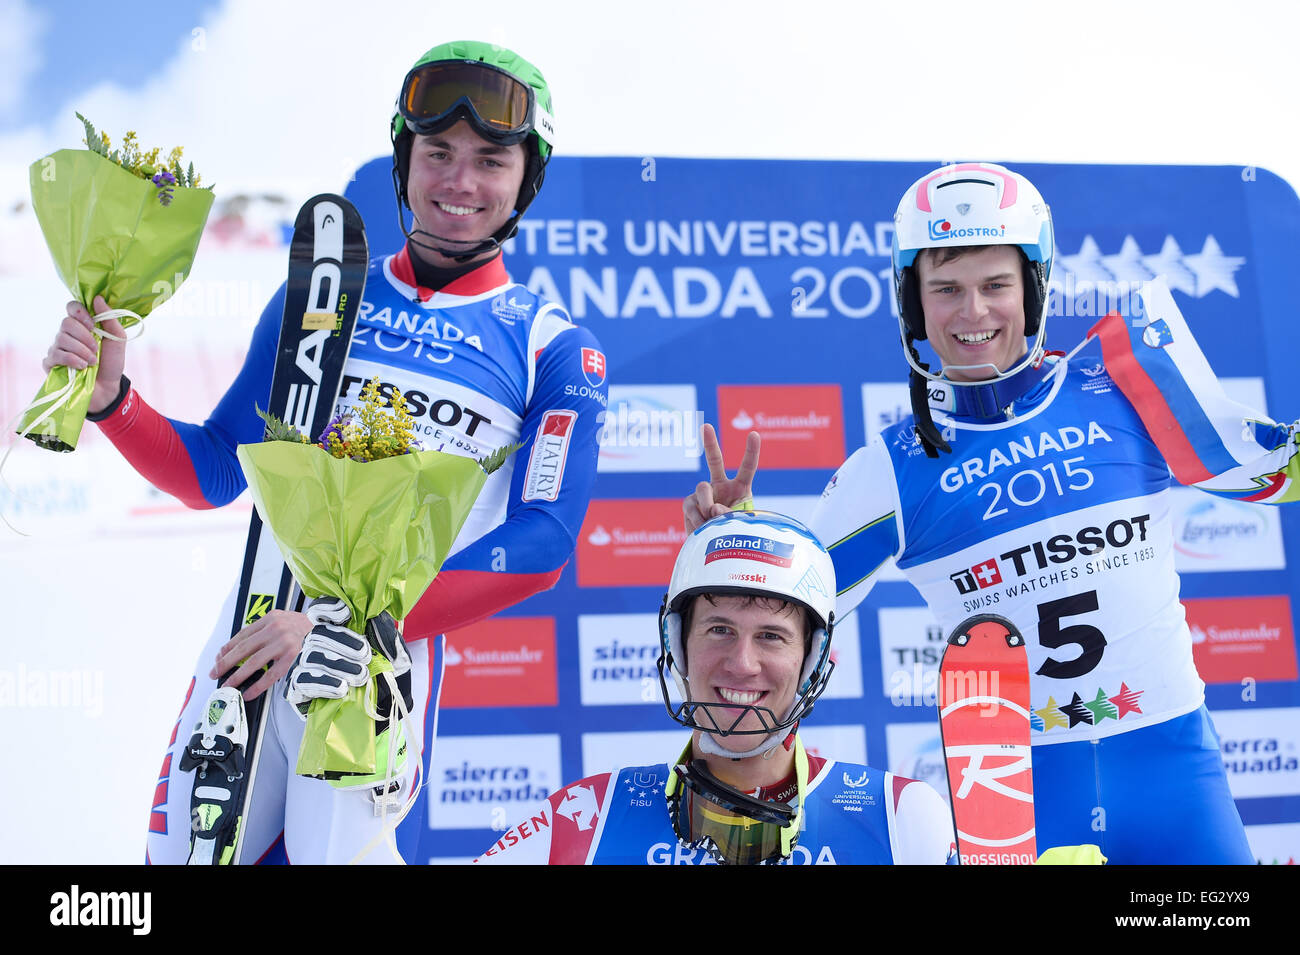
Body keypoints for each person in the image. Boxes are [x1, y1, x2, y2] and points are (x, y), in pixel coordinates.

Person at [43, 41, 606, 864]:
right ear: (403, 161)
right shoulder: (323, 291)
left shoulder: (553, 345)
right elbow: (213, 470)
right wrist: (112, 403)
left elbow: (544, 543)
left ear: (528, 181)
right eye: (437, 152)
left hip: (371, 671)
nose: (459, 181)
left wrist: (361, 626)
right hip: (247, 645)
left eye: (490, 160)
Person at [685, 162, 1298, 864]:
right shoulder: (890, 468)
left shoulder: (1125, 380)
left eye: (995, 285)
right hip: (1016, 799)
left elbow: (1275, 471)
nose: (972, 312)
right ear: (913, 305)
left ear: (1034, 288)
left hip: (1176, 772)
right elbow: (785, 598)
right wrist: (729, 544)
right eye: (945, 289)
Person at [475, 510, 955, 865]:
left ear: (811, 661)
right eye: (719, 629)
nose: (742, 664)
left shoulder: (901, 821)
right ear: (677, 646)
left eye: (771, 636)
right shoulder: (583, 818)